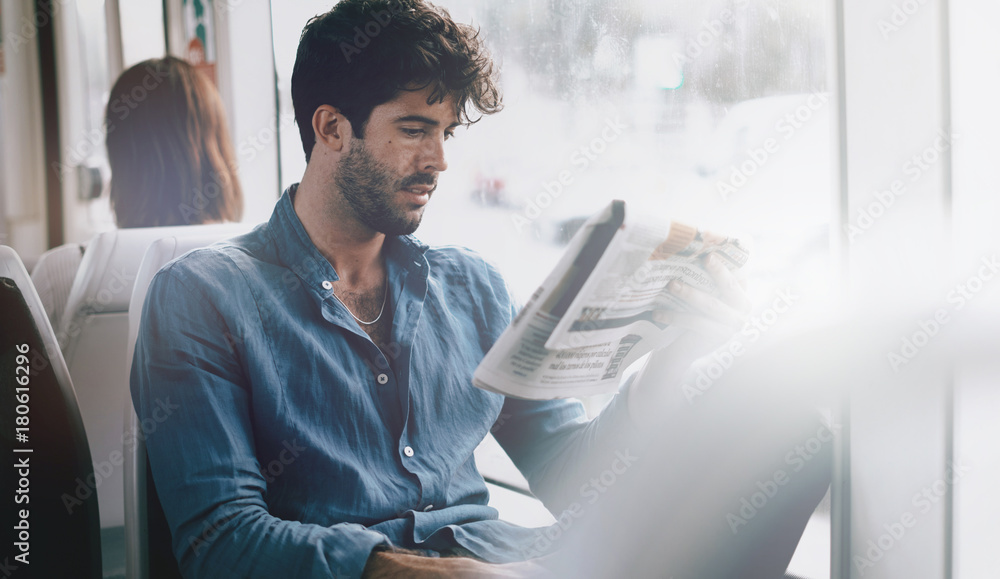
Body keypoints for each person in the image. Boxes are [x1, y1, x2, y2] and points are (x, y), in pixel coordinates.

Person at [129, 1, 830, 577]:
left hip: (522, 565)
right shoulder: (202, 298)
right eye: (413, 129)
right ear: (332, 127)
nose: (437, 160)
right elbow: (220, 543)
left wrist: (671, 355)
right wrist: (434, 576)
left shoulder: (469, 287)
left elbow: (569, 474)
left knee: (789, 439)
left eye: (444, 133)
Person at [31, 56, 243, 334]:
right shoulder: (257, 262)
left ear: (119, 157)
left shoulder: (60, 276)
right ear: (217, 148)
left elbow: (22, 376)